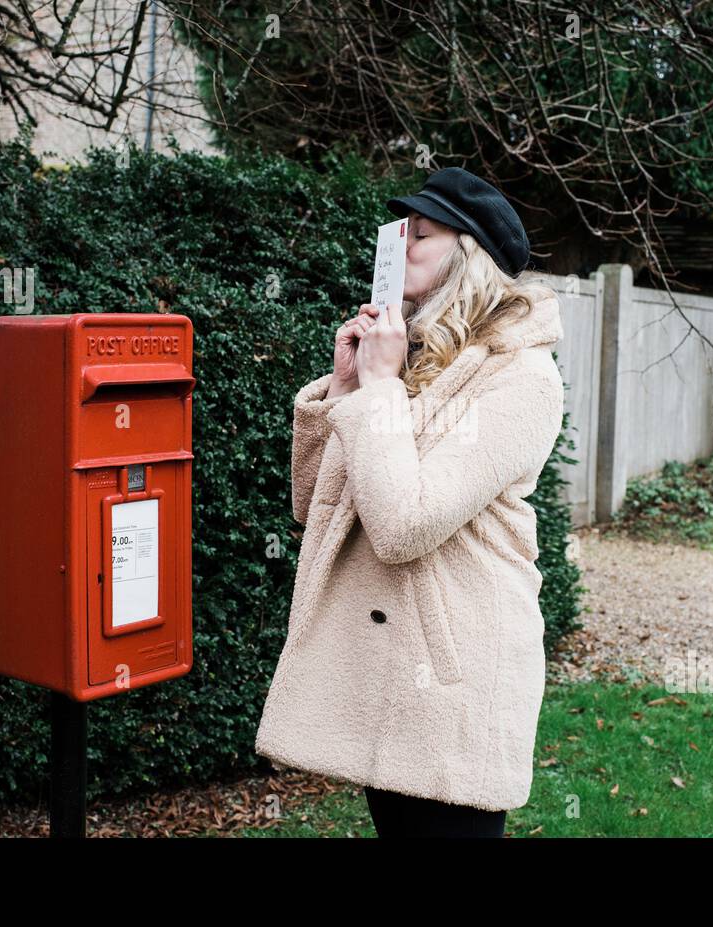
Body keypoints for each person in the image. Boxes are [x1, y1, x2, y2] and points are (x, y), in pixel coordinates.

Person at [254, 166, 566, 838]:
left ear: (469, 252)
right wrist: (344, 390)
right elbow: (319, 508)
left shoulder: (523, 378)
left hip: (456, 687)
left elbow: (402, 525)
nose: (397, 245)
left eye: (419, 233)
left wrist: (378, 389)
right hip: (390, 678)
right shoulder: (413, 359)